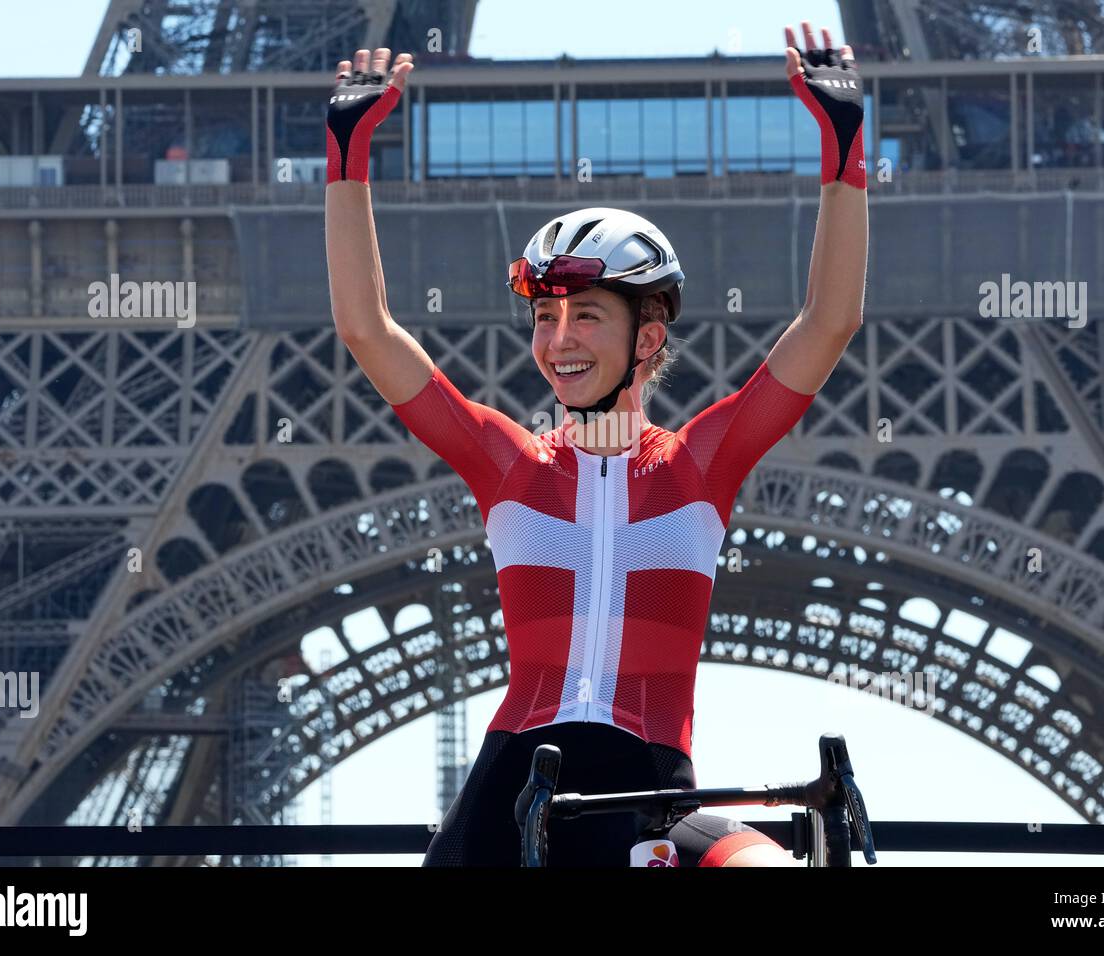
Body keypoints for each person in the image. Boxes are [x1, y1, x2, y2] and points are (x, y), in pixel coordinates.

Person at [325, 19, 868, 866]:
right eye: (545, 316)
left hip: (650, 792)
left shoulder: (700, 463)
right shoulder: (507, 462)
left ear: (648, 337)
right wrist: (348, 157)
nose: (558, 338)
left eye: (585, 315)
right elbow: (367, 330)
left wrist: (844, 154)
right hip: (512, 792)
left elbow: (829, 324)